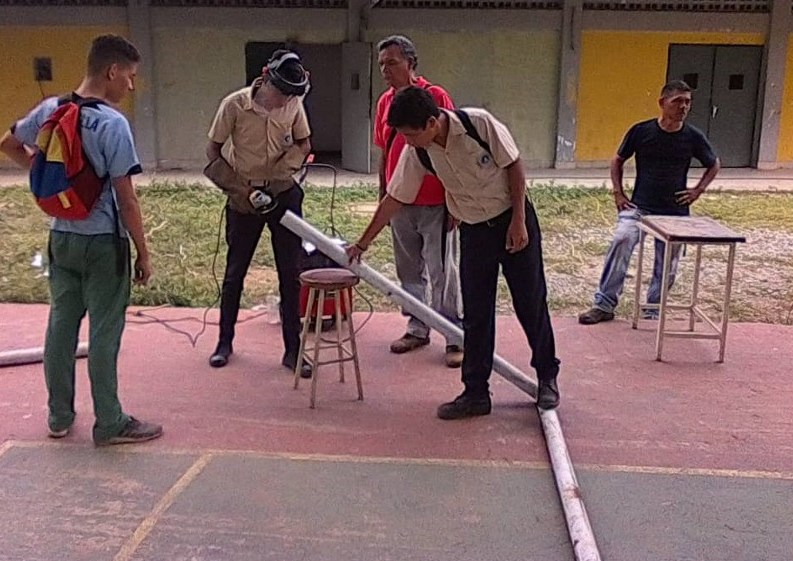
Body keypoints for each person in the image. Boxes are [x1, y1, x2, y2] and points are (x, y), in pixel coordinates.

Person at [347, 86, 561, 418]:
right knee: (476, 314)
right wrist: (362, 243)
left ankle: (547, 377)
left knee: (530, 303)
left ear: (432, 122)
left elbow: (515, 167)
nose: (408, 141)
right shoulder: (418, 151)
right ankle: (476, 393)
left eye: (411, 134)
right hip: (474, 231)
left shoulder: (478, 124)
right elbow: (395, 198)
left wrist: (518, 220)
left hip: (512, 220)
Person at [0, 34, 163, 445]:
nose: (130, 86)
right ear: (112, 71)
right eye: (129, 76)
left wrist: (45, 178)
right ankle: (110, 422)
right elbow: (126, 198)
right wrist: (143, 252)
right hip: (103, 244)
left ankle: (58, 416)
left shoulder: (52, 108)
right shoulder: (112, 124)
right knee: (105, 334)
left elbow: (9, 143)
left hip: (62, 239)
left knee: (60, 326)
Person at [205, 50, 313, 378]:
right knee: (235, 272)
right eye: (280, 95)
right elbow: (213, 152)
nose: (284, 102)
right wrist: (243, 191)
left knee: (290, 272)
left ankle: (293, 351)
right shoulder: (235, 105)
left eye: (290, 97)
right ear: (266, 79)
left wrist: (282, 173)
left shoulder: (294, 102)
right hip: (244, 197)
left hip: (281, 194)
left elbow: (304, 143)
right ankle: (224, 343)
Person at [578, 80, 720, 325]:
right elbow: (617, 160)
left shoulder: (693, 137)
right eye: (678, 101)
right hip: (639, 209)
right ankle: (604, 304)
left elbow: (713, 163)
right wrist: (618, 194)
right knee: (621, 240)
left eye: (687, 102)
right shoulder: (641, 131)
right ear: (662, 103)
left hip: (675, 213)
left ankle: (653, 308)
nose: (683, 107)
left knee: (669, 262)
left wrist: (698, 190)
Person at [374, 35, 464, 368]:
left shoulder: (435, 96)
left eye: (392, 63)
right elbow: (384, 151)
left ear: (411, 63)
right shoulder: (385, 102)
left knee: (442, 270)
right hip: (400, 202)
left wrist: (454, 201)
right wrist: (383, 193)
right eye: (382, 64)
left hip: (435, 201)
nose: (385, 70)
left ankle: (454, 333)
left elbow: (453, 150)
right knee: (409, 269)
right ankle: (417, 326)